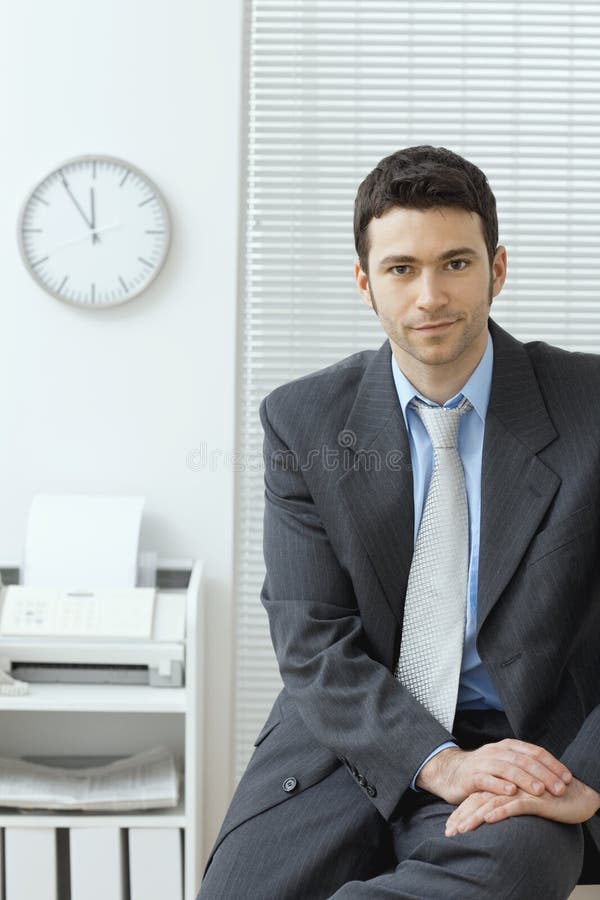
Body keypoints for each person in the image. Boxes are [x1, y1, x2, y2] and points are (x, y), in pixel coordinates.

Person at [198, 145, 600, 899]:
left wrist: (590, 776)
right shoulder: (303, 421)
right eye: (401, 269)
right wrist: (438, 762)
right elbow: (311, 637)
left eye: (456, 263)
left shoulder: (591, 407)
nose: (430, 297)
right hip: (348, 737)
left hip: (526, 753)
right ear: (365, 282)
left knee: (514, 867)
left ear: (497, 269)